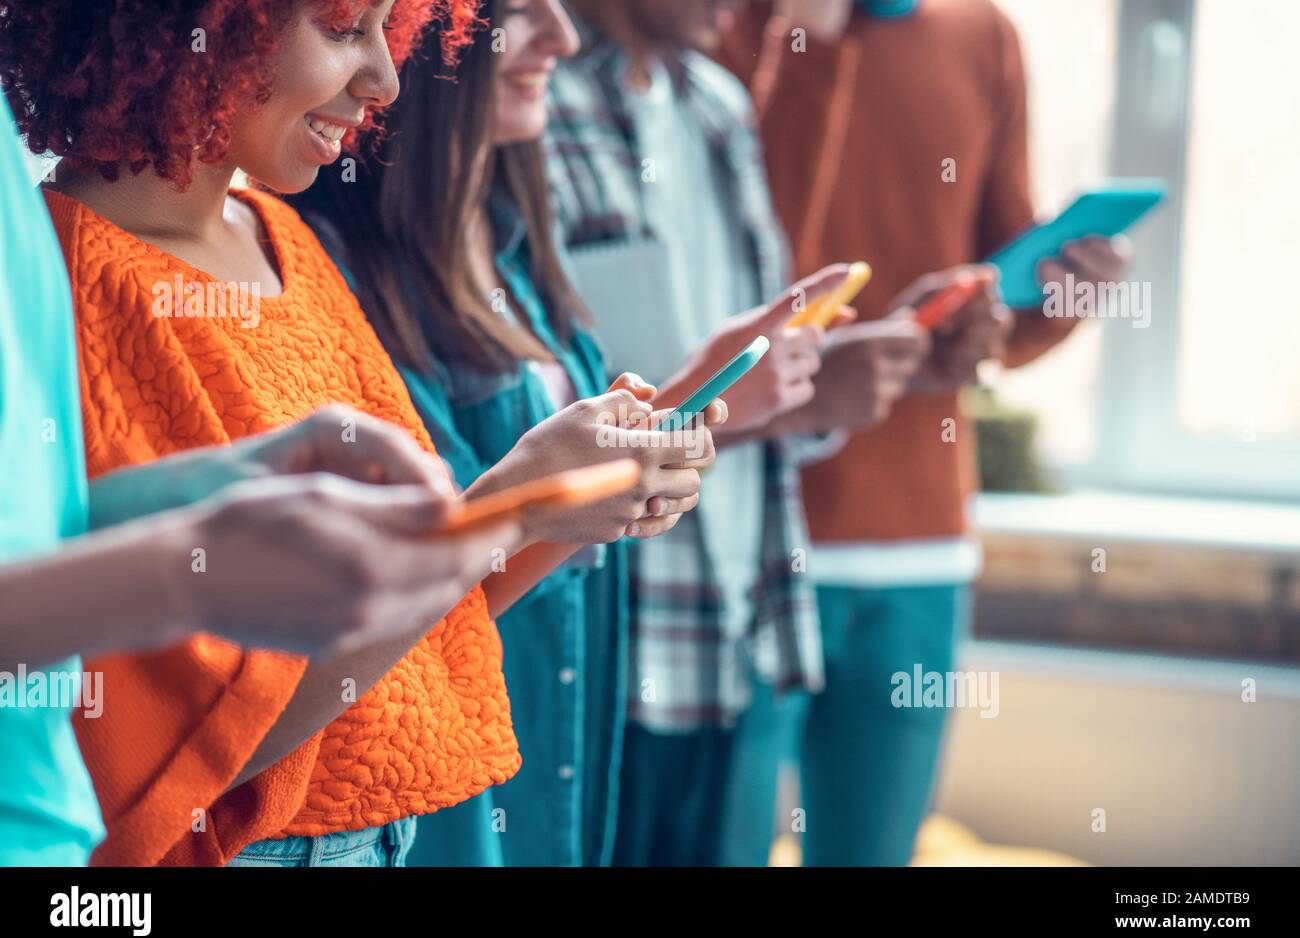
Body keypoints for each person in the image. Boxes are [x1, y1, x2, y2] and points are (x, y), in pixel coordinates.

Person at [2, 0, 547, 868]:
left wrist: (545, 507)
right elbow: (178, 766)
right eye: (341, 30)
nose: (387, 78)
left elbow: (414, 631)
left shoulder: (284, 238)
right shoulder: (75, 285)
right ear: (197, 31)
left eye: (385, 28)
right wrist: (517, 508)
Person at [292, 0, 724, 866]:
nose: (564, 38)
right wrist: (536, 500)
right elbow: (396, 585)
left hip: (552, 754)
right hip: (445, 794)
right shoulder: (325, 266)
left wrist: (664, 424)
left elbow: (535, 492)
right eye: (522, 15)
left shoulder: (516, 244)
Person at [718, 0, 1132, 865]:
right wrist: (812, 39)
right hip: (740, 531)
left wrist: (1062, 298)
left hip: (917, 544)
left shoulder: (981, 35)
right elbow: (737, 273)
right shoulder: (711, 24)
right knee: (714, 843)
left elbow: (1001, 298)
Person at [544, 0, 927, 865]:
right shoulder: (534, 102)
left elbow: (751, 374)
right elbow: (540, 413)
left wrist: (814, 395)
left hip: (734, 622)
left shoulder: (718, 106)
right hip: (613, 629)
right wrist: (740, 402)